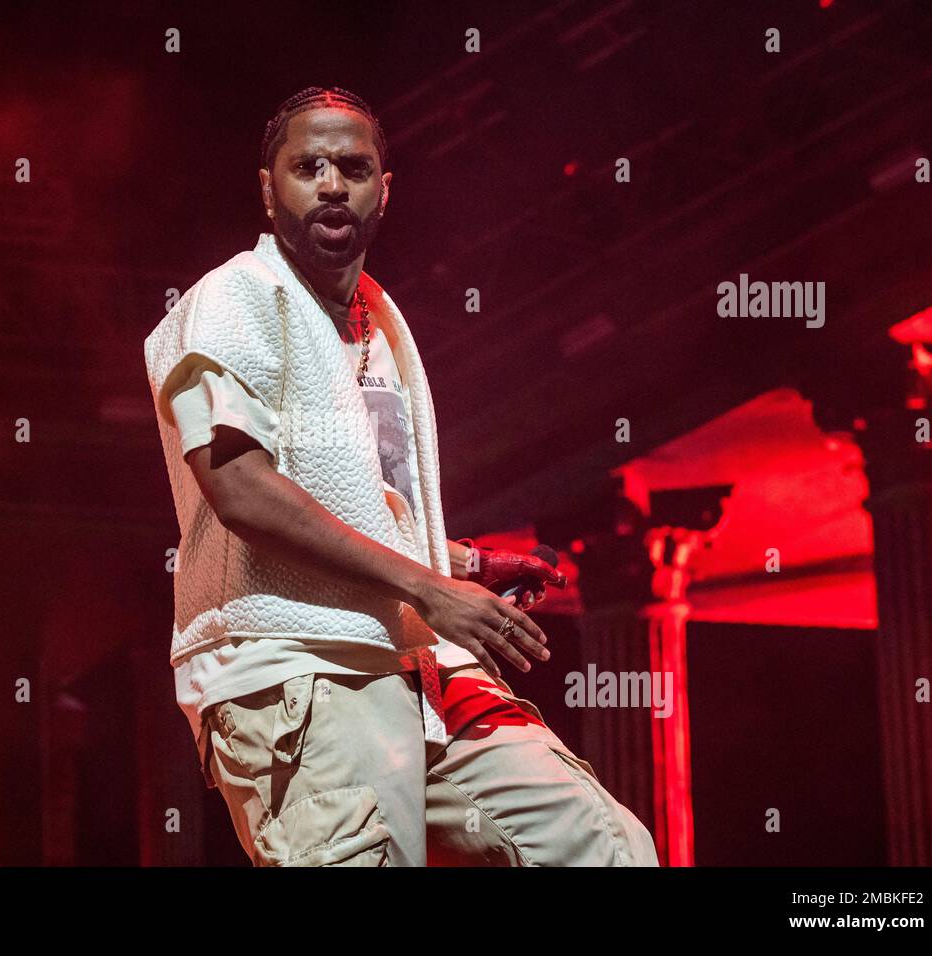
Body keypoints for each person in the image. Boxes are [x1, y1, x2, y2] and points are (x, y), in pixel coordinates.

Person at [143, 86, 658, 866]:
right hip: (295, 667)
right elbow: (239, 485)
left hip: (413, 658)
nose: (329, 183)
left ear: (385, 188)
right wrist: (428, 589)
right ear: (266, 186)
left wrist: (459, 563)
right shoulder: (236, 297)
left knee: (605, 848)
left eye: (352, 166)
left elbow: (354, 504)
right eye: (306, 165)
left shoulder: (377, 319)